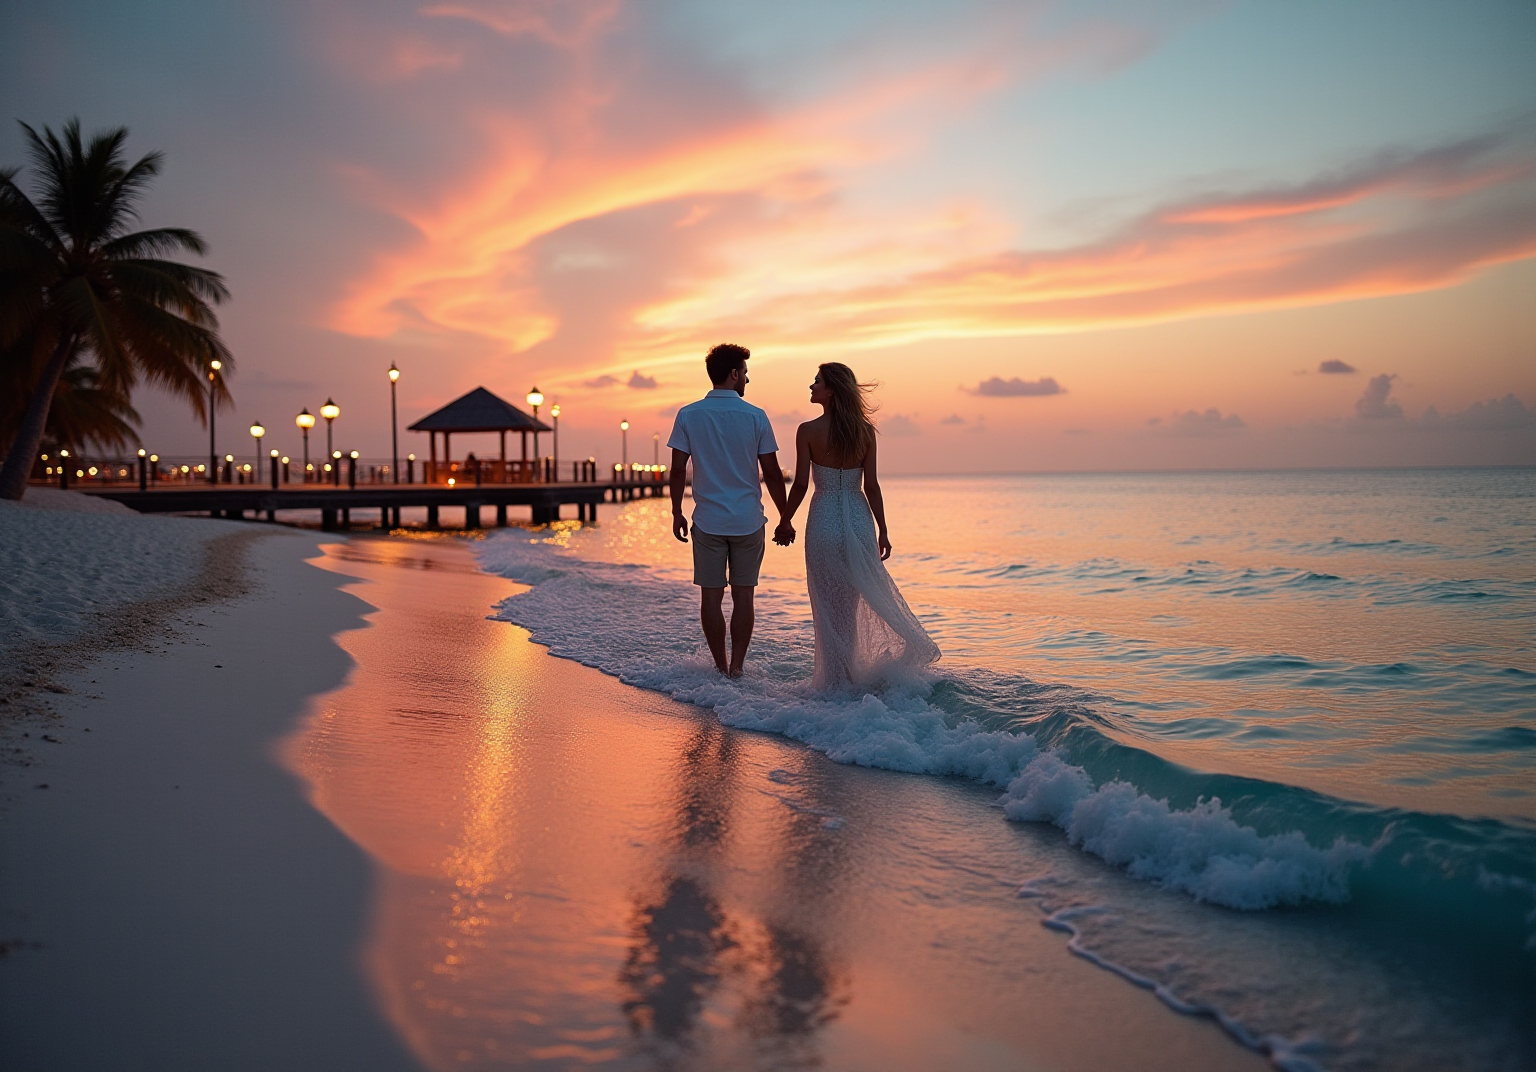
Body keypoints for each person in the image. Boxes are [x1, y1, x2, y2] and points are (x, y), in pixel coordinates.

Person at [775, 363, 940, 690]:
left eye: (817, 381)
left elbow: (800, 486)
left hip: (823, 519)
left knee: (826, 604)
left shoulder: (807, 430)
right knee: (850, 606)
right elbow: (872, 487)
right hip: (858, 518)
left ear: (832, 390)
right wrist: (883, 530)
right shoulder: (865, 432)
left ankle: (833, 682)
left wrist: (785, 519)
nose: (811, 386)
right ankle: (848, 680)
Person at [669, 343, 790, 677]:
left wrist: (677, 511)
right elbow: (773, 472)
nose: (747, 381)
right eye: (745, 374)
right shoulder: (756, 416)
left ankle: (720, 667)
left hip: (707, 520)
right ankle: (737, 668)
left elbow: (678, 470)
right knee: (743, 597)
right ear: (734, 373)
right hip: (749, 520)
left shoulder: (688, 414)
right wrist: (785, 517)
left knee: (711, 598)